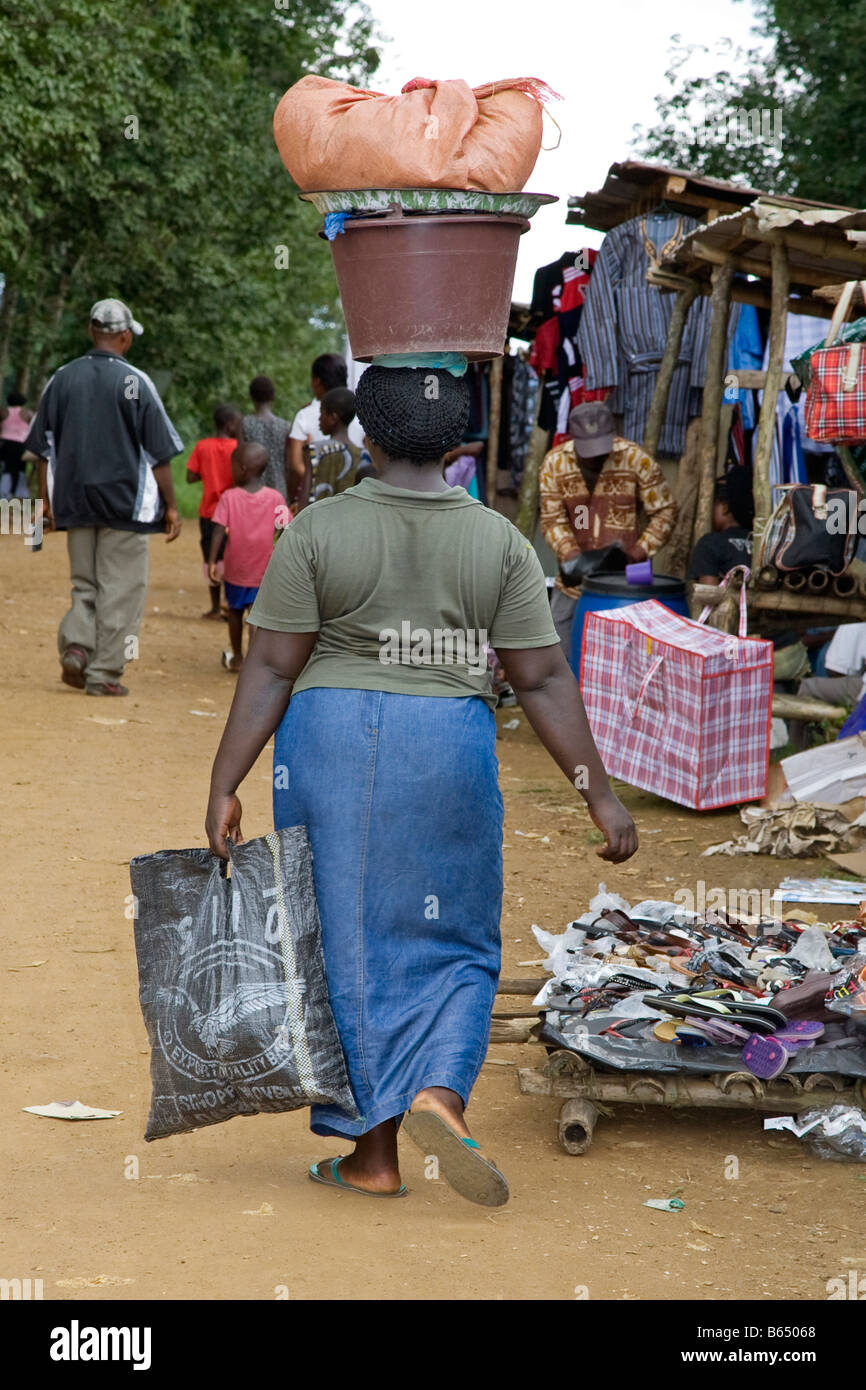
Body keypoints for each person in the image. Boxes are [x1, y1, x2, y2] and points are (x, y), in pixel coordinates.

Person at [205, 365, 637, 1206]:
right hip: (446, 743)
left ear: (362, 434)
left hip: (324, 739)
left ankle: (373, 1154)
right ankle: (440, 1089)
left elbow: (269, 665)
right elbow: (544, 678)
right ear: (460, 447)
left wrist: (226, 782)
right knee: (459, 936)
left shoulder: (318, 531)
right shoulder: (499, 541)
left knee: (343, 937)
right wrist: (599, 793)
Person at [26, 298, 183, 696]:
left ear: (90, 332)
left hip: (74, 501)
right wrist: (172, 506)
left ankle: (78, 647)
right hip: (124, 503)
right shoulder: (136, 382)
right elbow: (159, 452)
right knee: (122, 588)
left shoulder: (62, 378)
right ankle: (104, 674)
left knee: (85, 583)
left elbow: (42, 448)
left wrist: (46, 501)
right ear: (125, 337)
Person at [539, 401, 677, 652]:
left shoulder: (636, 459)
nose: (595, 458)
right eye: (588, 451)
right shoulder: (555, 463)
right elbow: (552, 519)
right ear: (573, 439)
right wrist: (572, 557)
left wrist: (639, 551)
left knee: (619, 657)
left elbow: (665, 511)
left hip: (625, 582)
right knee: (560, 654)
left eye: (601, 449)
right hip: (572, 585)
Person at [208, 442, 286, 672]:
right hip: (264, 570)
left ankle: (238, 657)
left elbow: (218, 531)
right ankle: (253, 662)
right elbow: (285, 529)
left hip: (236, 570)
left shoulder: (229, 497)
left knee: (234, 611)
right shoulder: (275, 497)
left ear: (242, 468)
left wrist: (213, 560)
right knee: (256, 616)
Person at [186, 404, 242, 619]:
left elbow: (190, 477)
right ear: (229, 426)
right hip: (232, 513)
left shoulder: (202, 446)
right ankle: (231, 604)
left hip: (208, 512)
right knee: (230, 557)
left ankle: (215, 607)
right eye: (238, 424)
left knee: (210, 557)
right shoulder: (237, 448)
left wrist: (209, 473)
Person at [287, 353, 365, 497]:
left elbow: (295, 464)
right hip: (355, 494)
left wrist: (317, 476)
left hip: (317, 496)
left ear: (317, 381)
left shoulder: (304, 415)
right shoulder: (362, 414)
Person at [687, 472, 754, 584]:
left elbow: (708, 596)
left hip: (727, 602)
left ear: (725, 507)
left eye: (712, 505)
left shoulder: (710, 543)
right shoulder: (763, 543)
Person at [300, 387, 362, 506]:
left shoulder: (314, 450)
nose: (319, 418)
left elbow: (306, 494)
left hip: (318, 520)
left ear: (333, 418)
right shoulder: (363, 454)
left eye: (322, 413)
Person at [240, 376, 291, 499]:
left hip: (253, 489)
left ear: (251, 396)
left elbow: (240, 461)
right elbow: (288, 464)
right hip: (280, 489)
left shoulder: (244, 424)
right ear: (273, 396)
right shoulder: (285, 426)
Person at [0, 391, 34, 497]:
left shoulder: (3, 412)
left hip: (4, 444)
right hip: (20, 445)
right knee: (19, 468)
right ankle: (19, 492)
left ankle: (4, 491)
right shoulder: (28, 413)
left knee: (6, 467)